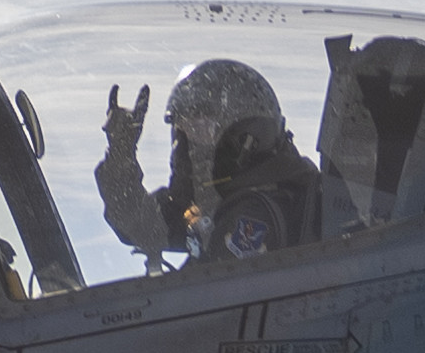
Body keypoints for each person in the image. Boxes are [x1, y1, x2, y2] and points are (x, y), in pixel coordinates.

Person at [94, 57, 297, 267]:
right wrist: (120, 157)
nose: (188, 142)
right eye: (183, 129)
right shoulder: (215, 201)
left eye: (201, 127)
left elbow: (216, 284)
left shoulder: (255, 214)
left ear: (243, 136)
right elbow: (139, 226)